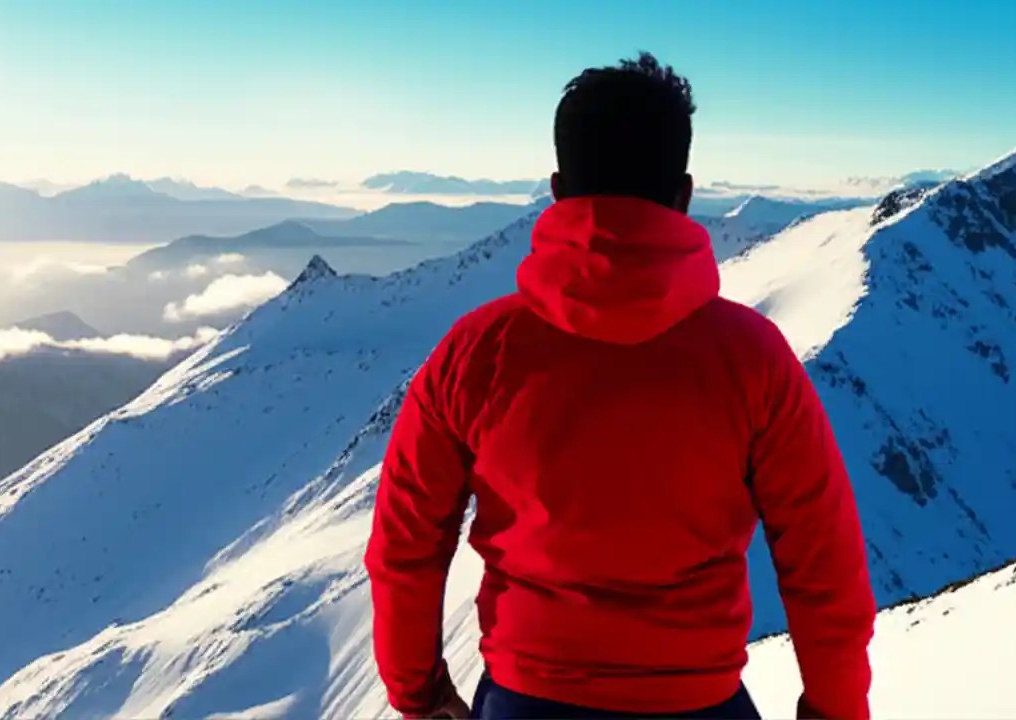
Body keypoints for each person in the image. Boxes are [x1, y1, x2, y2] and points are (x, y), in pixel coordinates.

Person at [365, 52, 876, 720]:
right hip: (702, 704)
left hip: (526, 702)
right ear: (685, 194)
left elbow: (405, 545)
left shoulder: (476, 353)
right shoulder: (753, 359)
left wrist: (420, 696)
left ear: (556, 189)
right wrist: (836, 710)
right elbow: (823, 562)